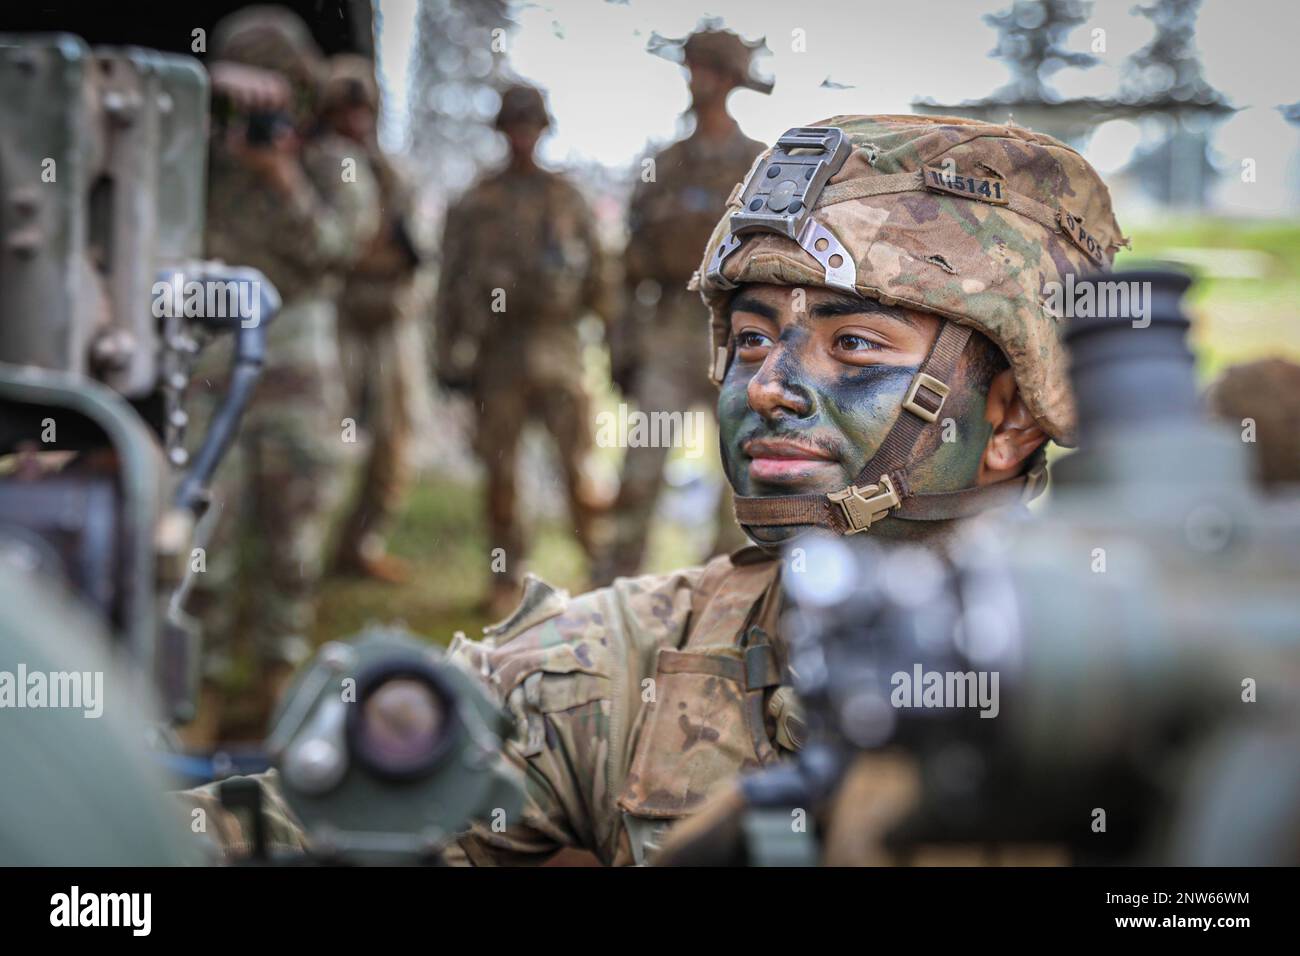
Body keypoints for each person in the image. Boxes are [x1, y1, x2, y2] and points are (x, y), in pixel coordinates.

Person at [184, 113, 1125, 865]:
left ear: (1010, 414)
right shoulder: (617, 664)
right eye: (753, 337)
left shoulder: (1161, 694)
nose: (766, 383)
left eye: (855, 346)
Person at [187, 7, 378, 740]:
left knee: (294, 541)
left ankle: (276, 690)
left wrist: (283, 175)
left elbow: (339, 249)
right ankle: (197, 692)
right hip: (209, 369)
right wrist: (208, 88)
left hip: (298, 369)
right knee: (207, 531)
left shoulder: (331, 163)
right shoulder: (196, 156)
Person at [433, 83, 616, 618]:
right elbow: (450, 282)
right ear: (502, 132)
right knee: (501, 474)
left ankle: (599, 572)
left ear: (542, 131)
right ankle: (504, 577)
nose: (522, 138)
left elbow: (601, 273)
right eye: (513, 127)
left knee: (578, 467)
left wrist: (611, 335)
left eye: (530, 127)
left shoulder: (568, 198)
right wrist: (448, 356)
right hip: (498, 354)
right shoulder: (475, 201)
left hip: (559, 349)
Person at [596, 26, 769, 584]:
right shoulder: (664, 165)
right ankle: (615, 591)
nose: (693, 80)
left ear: (726, 78)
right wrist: (621, 346)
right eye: (690, 67)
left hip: (740, 339)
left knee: (743, 472)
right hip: (670, 332)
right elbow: (629, 267)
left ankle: (729, 594)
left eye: (703, 69)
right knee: (641, 470)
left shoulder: (760, 163)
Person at [322, 54, 425, 584]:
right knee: (328, 435)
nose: (356, 121)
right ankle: (307, 544)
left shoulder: (390, 173)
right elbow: (329, 251)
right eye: (345, 109)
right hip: (334, 319)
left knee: (393, 435)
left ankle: (360, 543)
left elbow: (409, 251)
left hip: (386, 319)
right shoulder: (315, 167)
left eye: (364, 110)